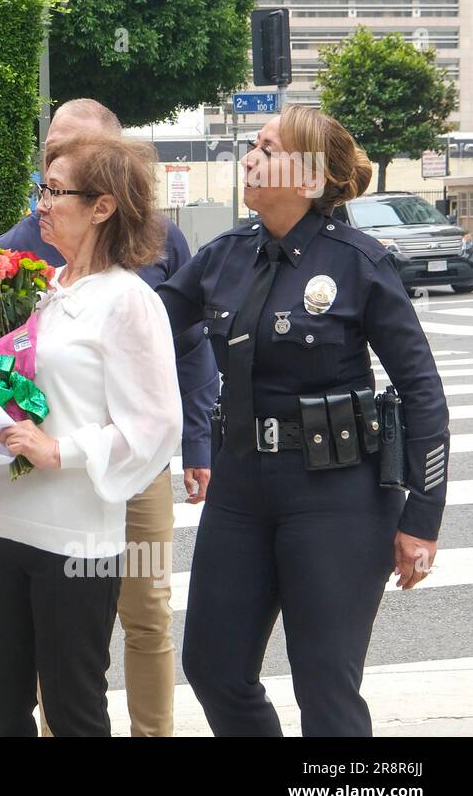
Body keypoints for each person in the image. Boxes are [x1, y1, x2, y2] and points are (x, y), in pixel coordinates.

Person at [155, 103, 448, 736]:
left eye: (268, 148)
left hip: (337, 493)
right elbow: (142, 327)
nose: (250, 158)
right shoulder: (223, 255)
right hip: (240, 489)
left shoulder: (358, 262)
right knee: (213, 667)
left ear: (311, 180)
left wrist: (421, 520)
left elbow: (422, 393)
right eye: (253, 146)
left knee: (325, 686)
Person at [0, 98, 218, 737]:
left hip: (75, 540)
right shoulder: (39, 289)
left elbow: (154, 424)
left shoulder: (129, 300)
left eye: (57, 191)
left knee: (73, 706)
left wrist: (65, 451)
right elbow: (5, 396)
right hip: (3, 526)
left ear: (103, 206)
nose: (42, 202)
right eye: (43, 186)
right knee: (1, 705)